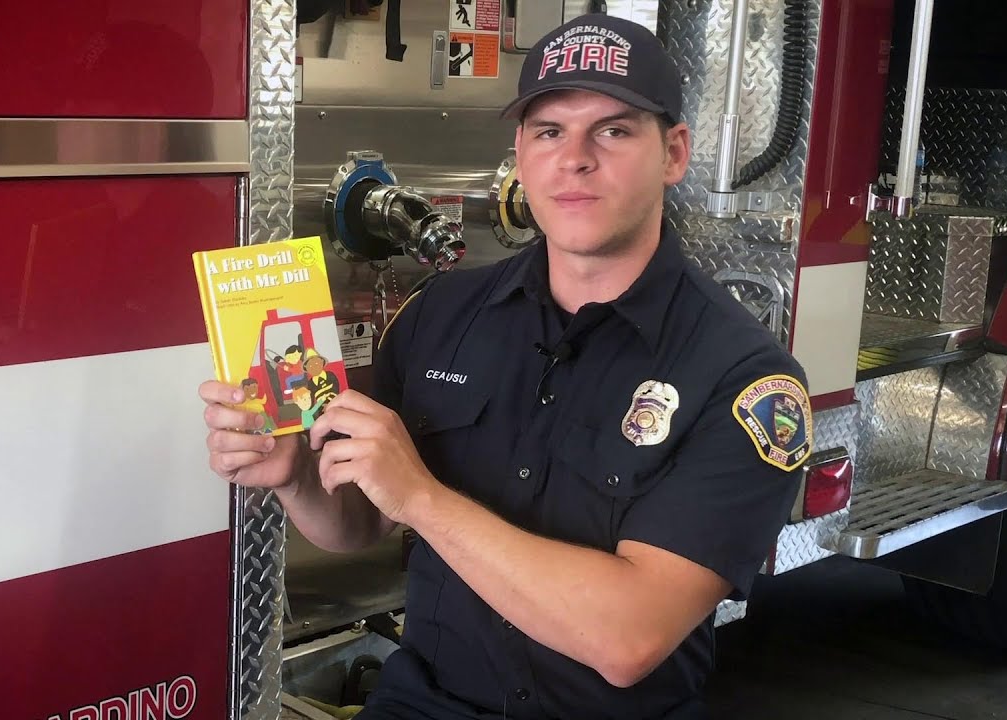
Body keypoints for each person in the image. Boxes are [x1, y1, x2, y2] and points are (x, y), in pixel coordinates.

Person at [199, 13, 811, 720]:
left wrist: (423, 497)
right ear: (521, 152)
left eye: (613, 130)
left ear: (674, 153)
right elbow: (359, 524)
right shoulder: (440, 316)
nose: (574, 158)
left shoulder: (743, 378)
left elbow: (629, 638)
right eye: (549, 131)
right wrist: (298, 478)